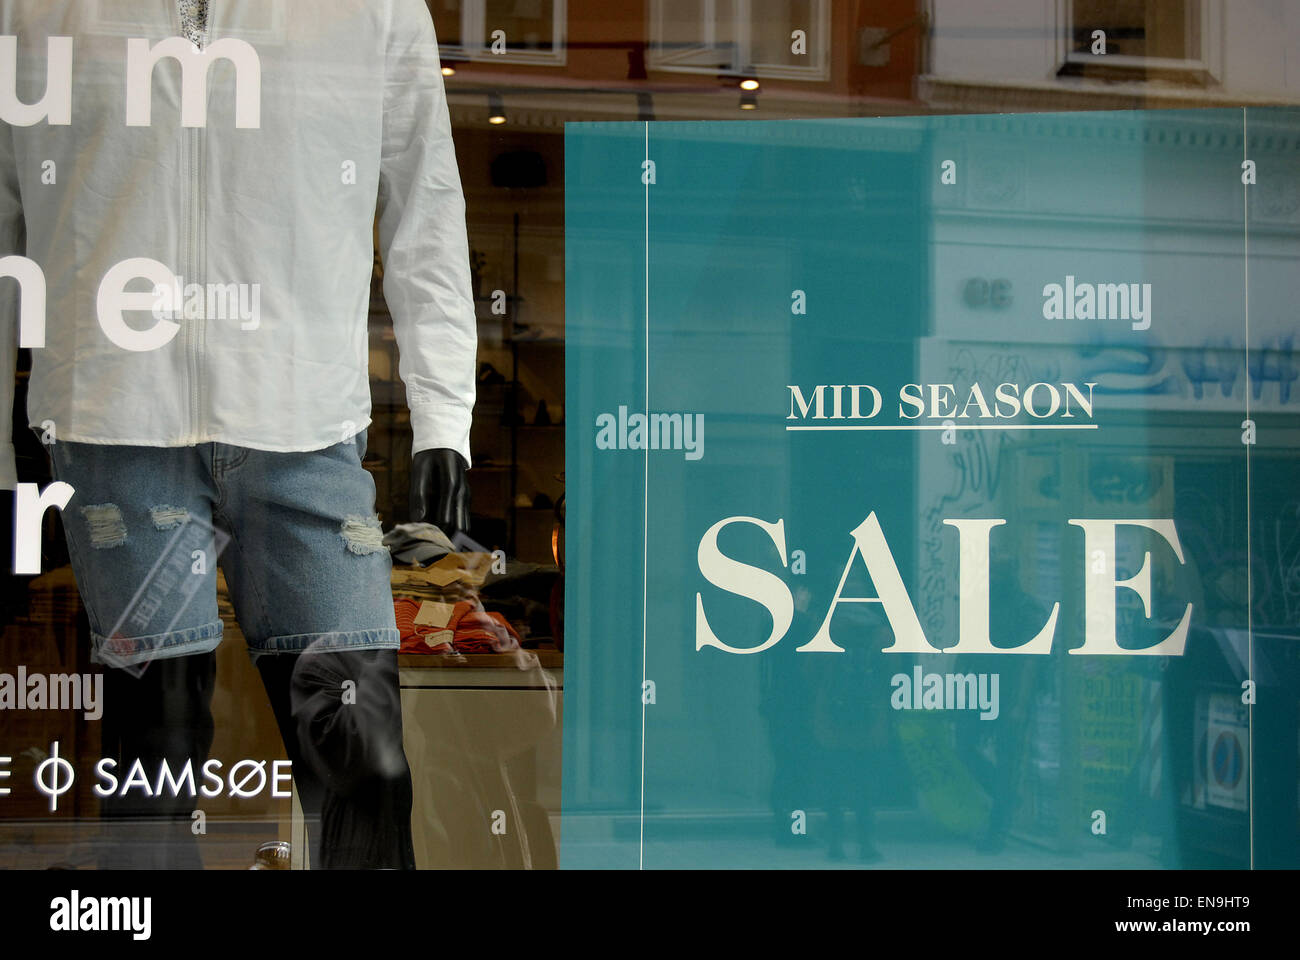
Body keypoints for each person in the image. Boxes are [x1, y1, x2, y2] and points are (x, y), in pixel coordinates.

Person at [0, 0, 476, 868]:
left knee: (366, 764)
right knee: (153, 759)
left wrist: (445, 417)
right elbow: (3, 227)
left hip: (308, 433)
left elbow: (426, 211)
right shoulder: (34, 11)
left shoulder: (372, 12)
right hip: (117, 432)